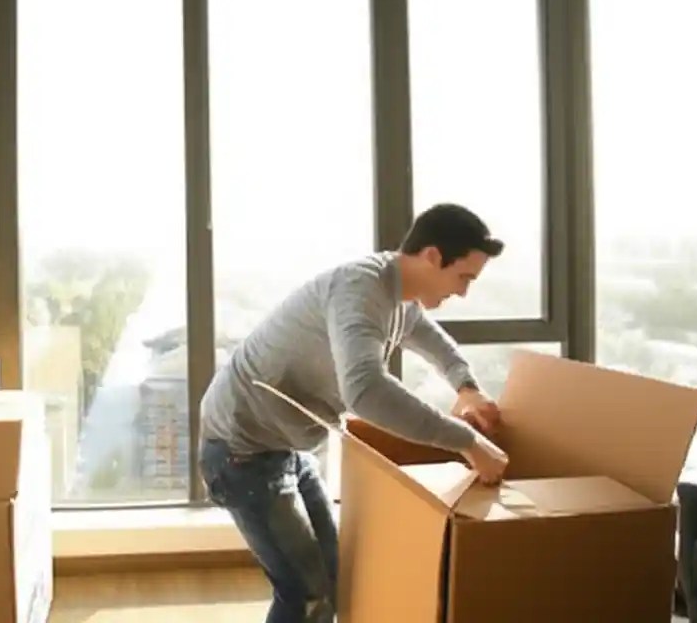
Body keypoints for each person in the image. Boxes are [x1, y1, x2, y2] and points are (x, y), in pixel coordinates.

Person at [197, 202, 511, 623]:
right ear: (433, 256)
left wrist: (467, 387)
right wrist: (468, 443)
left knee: (335, 577)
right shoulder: (359, 290)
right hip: (241, 451)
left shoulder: (402, 296)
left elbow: (430, 339)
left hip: (285, 445)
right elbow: (365, 391)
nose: (463, 292)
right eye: (463, 278)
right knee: (305, 592)